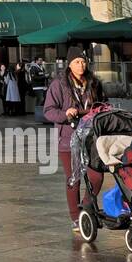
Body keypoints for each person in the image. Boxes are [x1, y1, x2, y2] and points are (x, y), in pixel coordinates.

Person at [42, 47, 105, 232]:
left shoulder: (93, 83)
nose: (81, 65)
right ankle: (76, 218)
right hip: (68, 140)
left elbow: (102, 103)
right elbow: (48, 111)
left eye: (84, 61)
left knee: (97, 176)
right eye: (77, 62)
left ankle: (85, 207)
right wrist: (65, 114)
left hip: (91, 138)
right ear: (69, 65)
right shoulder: (59, 85)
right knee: (74, 179)